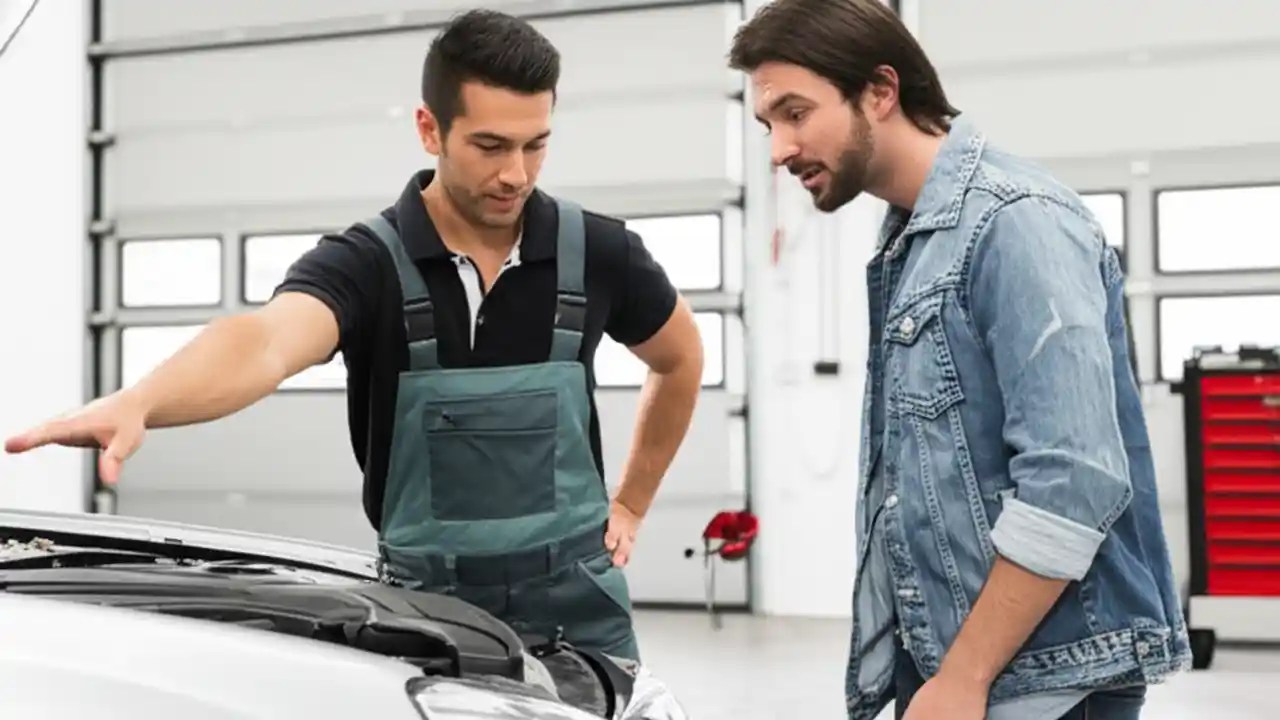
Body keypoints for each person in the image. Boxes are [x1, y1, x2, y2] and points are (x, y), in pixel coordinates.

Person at [5, 9, 704, 662]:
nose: (515, 174)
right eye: (489, 146)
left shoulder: (599, 252)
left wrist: (633, 502)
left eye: (535, 145)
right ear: (430, 130)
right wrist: (144, 400)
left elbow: (679, 358)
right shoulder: (368, 262)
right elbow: (265, 342)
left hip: (577, 608)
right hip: (428, 608)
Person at [728, 1, 1190, 719]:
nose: (779, 150)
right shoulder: (912, 242)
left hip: (1042, 681)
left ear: (880, 92)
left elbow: (1075, 477)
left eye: (795, 113)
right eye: (767, 124)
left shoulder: (1017, 222)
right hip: (961, 668)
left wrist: (965, 677)